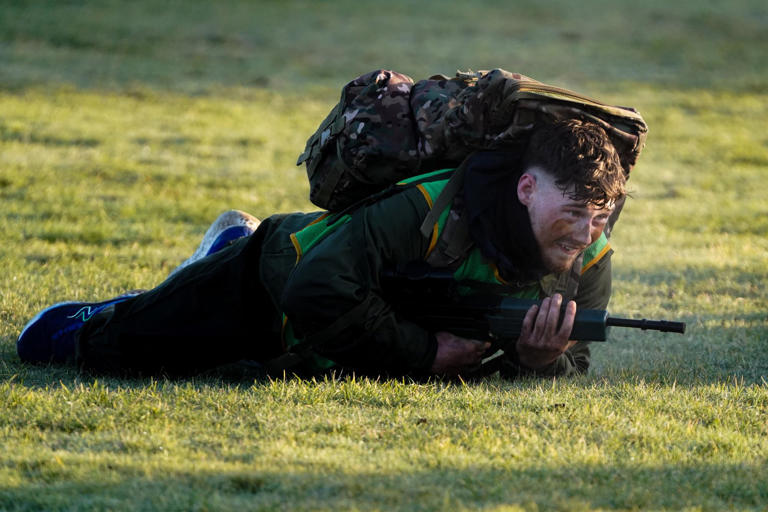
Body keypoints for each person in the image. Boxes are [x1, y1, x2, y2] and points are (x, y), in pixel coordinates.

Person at [17, 119, 624, 379]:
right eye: (572, 213)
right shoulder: (431, 209)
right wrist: (421, 351)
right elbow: (315, 288)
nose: (585, 234)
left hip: (342, 343)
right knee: (70, 348)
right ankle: (227, 253)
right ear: (526, 188)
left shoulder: (590, 260)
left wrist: (538, 360)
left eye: (599, 218)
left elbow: (566, 369)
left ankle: (225, 245)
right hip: (270, 287)